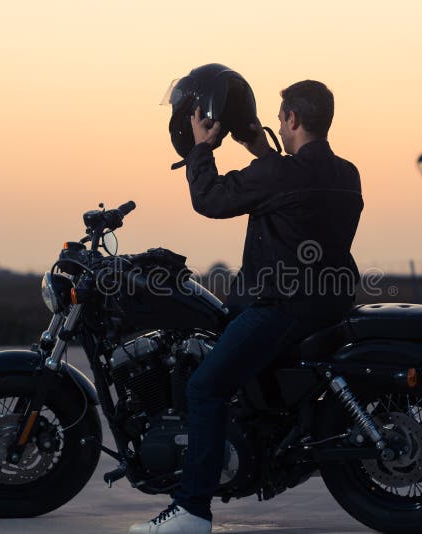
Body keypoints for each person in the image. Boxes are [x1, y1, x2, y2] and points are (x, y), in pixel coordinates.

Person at [129, 80, 363, 534]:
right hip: (328, 303)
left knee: (204, 387)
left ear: (292, 118)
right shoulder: (346, 173)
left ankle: (192, 510)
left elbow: (210, 199)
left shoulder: (283, 175)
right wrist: (260, 149)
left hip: (282, 306)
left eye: (280, 118)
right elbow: (296, 191)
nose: (278, 125)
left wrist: (201, 147)